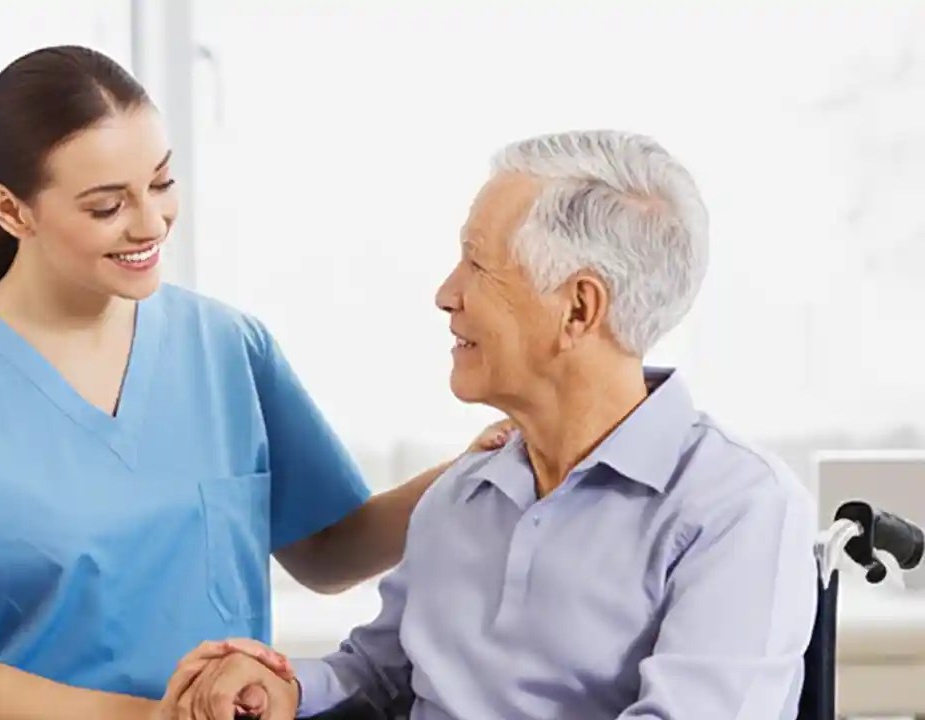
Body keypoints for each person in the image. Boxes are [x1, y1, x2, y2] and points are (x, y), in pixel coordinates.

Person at [0, 45, 510, 720]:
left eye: (160, 183)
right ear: (11, 211)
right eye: (106, 206)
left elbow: (329, 555)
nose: (150, 223)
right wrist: (156, 717)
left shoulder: (226, 348)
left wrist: (473, 467)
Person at [169, 130, 820, 719]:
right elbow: (377, 673)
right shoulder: (467, 490)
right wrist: (283, 688)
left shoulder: (739, 509)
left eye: (478, 264)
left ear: (578, 309)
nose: (446, 293)